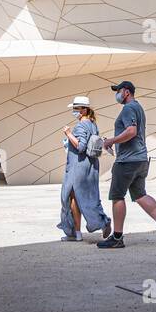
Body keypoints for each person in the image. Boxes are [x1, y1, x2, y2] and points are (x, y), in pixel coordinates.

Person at [97, 81, 156, 248]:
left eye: (118, 91)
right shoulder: (138, 107)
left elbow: (131, 131)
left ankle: (117, 238)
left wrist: (111, 140)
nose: (116, 94)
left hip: (127, 161)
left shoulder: (128, 108)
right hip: (140, 159)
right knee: (140, 195)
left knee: (117, 196)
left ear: (126, 92)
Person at [57, 96, 112, 242]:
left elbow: (80, 147)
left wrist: (68, 134)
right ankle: (99, 223)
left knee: (72, 197)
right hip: (91, 165)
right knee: (89, 197)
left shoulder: (81, 126)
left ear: (83, 110)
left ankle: (78, 233)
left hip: (78, 167)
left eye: (76, 109)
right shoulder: (93, 124)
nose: (74, 111)